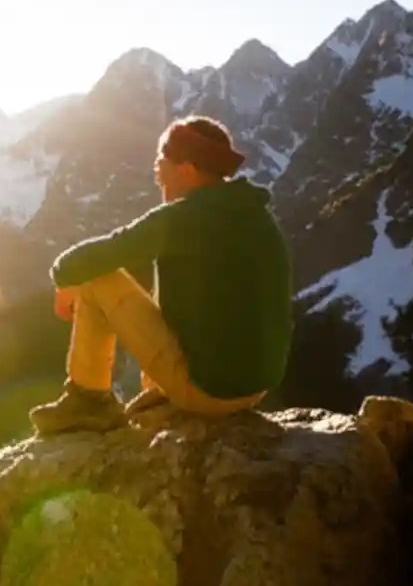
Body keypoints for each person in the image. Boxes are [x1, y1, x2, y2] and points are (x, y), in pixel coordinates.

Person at [29, 115, 292, 435]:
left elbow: (105, 252)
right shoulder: (256, 216)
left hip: (210, 393)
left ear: (188, 169)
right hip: (251, 388)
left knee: (96, 279)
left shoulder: (185, 218)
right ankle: (165, 391)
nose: (157, 173)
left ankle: (88, 402)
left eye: (162, 163)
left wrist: (64, 279)